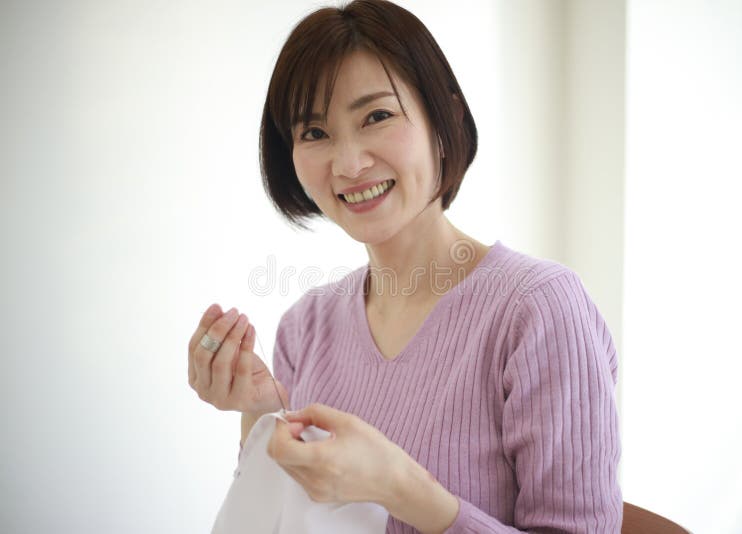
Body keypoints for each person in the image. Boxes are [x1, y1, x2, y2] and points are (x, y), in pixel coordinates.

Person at [187, 1, 622, 532]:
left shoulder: (538, 310)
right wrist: (258, 413)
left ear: (446, 120)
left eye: (376, 116)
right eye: (315, 133)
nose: (348, 164)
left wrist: (399, 488)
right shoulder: (305, 326)